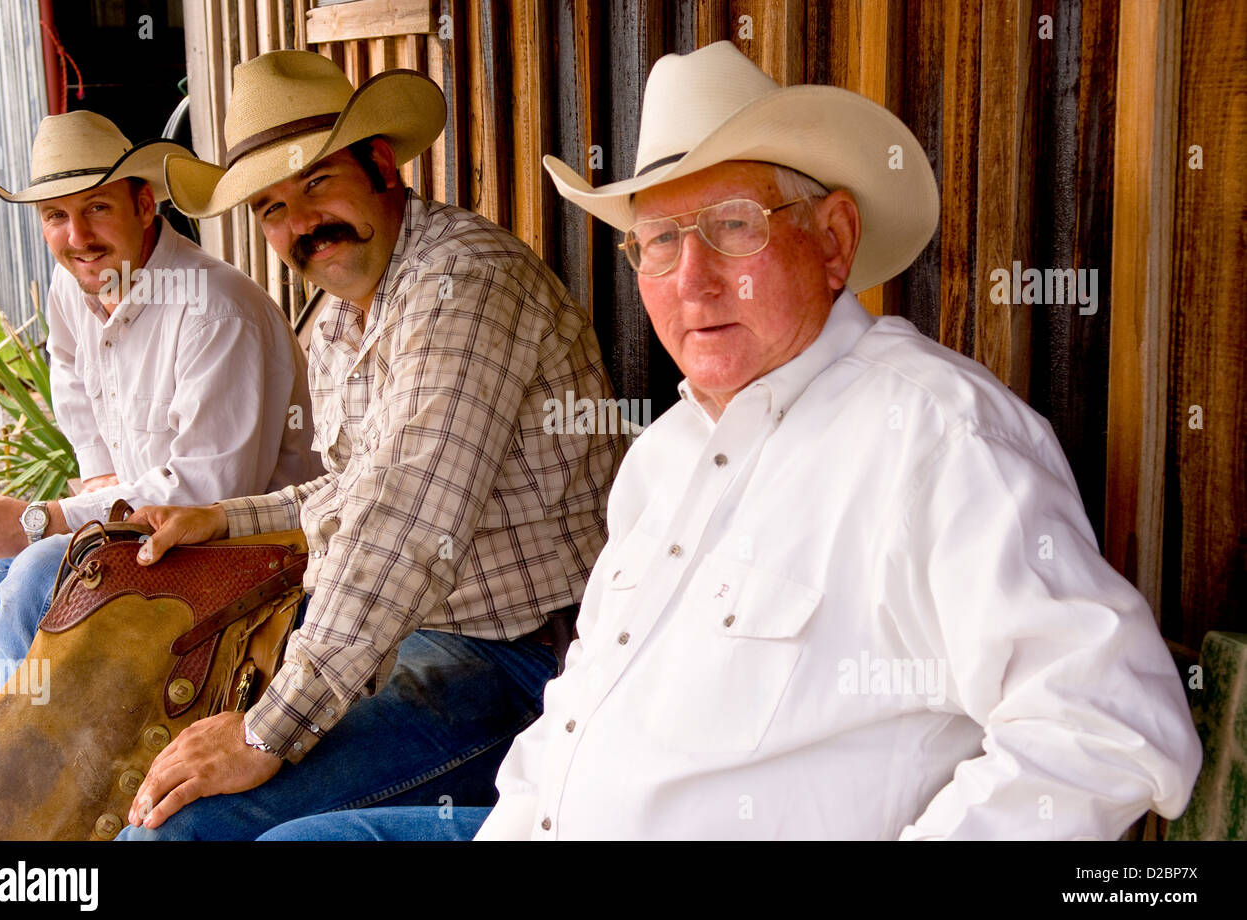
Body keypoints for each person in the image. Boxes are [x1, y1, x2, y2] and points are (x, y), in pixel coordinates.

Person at [260, 40, 1201, 842]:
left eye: (734, 228)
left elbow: (1109, 725)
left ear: (834, 239)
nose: (693, 279)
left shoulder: (935, 436)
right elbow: (573, 720)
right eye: (659, 242)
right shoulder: (665, 456)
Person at [114, 50, 622, 840]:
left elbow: (405, 517)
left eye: (318, 183)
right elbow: (361, 482)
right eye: (273, 209)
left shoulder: (465, 283)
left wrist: (265, 730)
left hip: (522, 665)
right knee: (131, 745)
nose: (302, 224)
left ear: (381, 164)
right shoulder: (343, 316)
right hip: (419, 641)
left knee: (189, 826)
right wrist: (228, 518)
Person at [0, 110, 317, 698]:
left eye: (97, 207)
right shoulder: (76, 287)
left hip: (243, 559)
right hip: (138, 540)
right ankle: (70, 701)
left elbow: (208, 494)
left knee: (36, 572)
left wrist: (41, 521)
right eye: (55, 216)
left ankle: (20, 753)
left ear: (145, 204)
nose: (77, 238)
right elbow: (70, 378)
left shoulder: (214, 310)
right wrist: (99, 478)